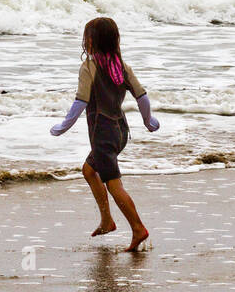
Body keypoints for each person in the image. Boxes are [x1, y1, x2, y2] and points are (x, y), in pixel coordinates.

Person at [51, 16, 159, 251]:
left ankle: (138, 228)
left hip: (102, 136)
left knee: (114, 185)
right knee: (89, 170)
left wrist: (63, 126)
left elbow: (81, 101)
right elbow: (142, 96)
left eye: (87, 37)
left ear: (92, 41)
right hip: (120, 132)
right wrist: (148, 120)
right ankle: (107, 220)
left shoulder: (89, 67)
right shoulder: (121, 65)